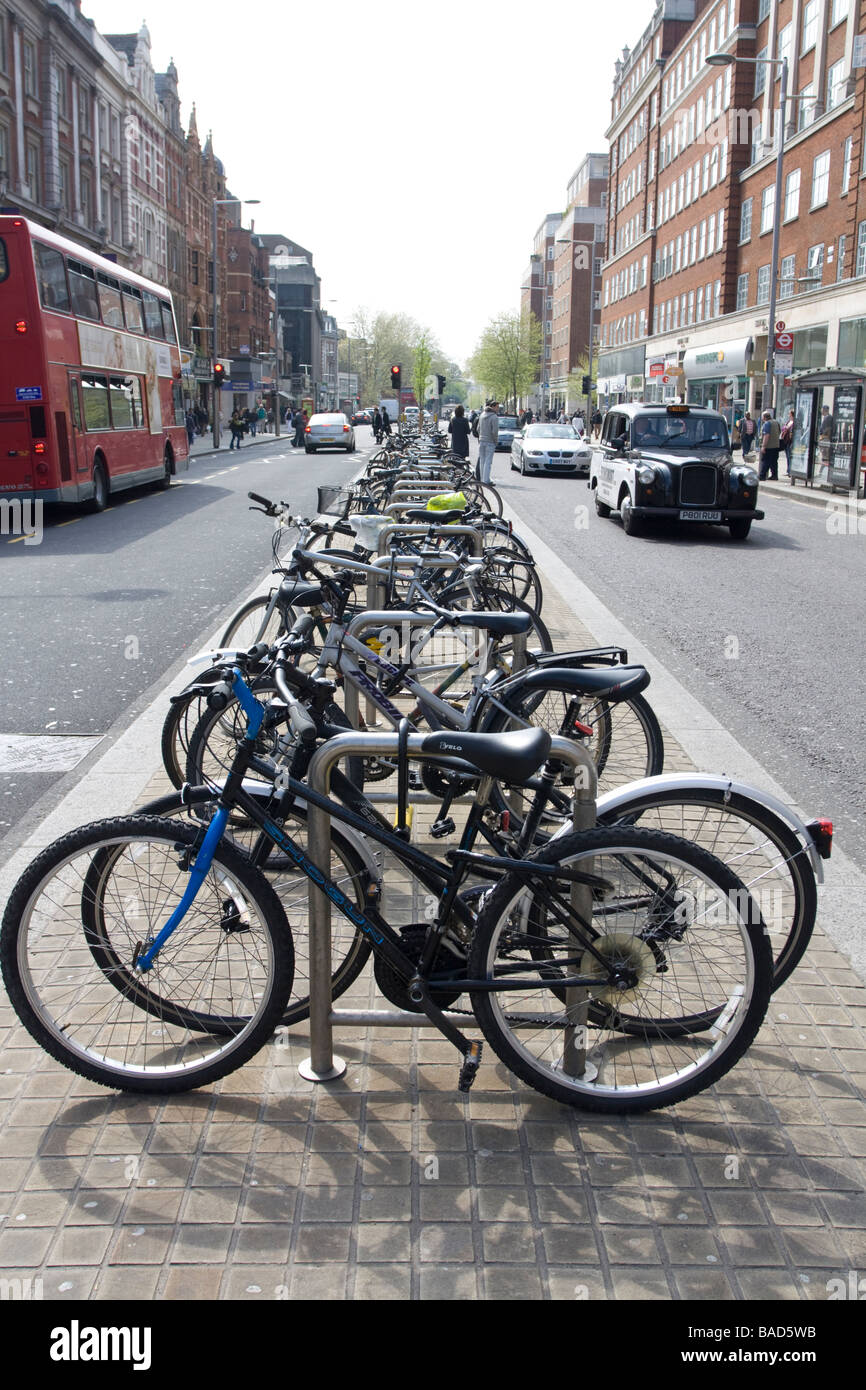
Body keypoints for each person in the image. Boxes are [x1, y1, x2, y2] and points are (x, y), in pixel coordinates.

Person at [476, 399, 499, 484]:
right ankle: (486, 480)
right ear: (492, 407)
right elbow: (494, 431)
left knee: (482, 460)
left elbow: (478, 428)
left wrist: (480, 436)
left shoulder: (482, 415)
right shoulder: (494, 417)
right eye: (497, 407)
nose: (498, 409)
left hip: (482, 440)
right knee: (488, 461)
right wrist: (495, 441)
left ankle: (482, 479)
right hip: (490, 441)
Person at [759, 409, 781, 480]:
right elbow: (779, 432)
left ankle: (762, 476)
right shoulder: (776, 422)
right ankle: (774, 475)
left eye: (762, 417)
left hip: (768, 446)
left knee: (765, 461)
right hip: (776, 445)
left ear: (764, 417)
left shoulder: (767, 424)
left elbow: (766, 435)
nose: (762, 419)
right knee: (774, 462)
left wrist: (763, 446)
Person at [779, 408, 795, 474]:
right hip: (785, 441)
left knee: (790, 456)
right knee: (788, 456)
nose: (788, 415)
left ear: (792, 414)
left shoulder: (794, 422)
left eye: (789, 414)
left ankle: (790, 470)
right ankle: (788, 470)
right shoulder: (789, 421)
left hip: (790, 442)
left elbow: (791, 432)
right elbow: (783, 428)